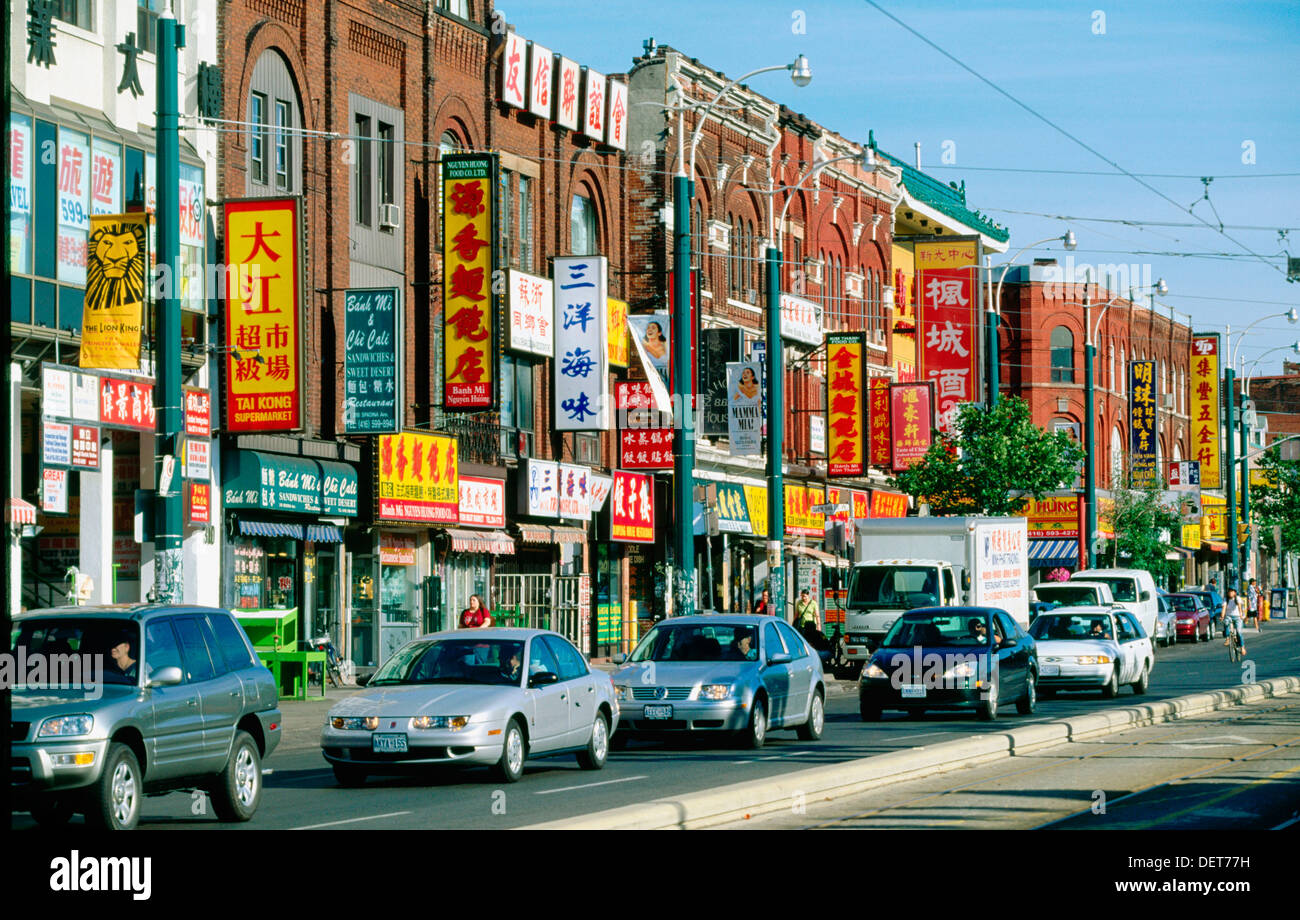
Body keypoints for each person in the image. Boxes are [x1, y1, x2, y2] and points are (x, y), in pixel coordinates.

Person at [1223, 588, 1246, 655]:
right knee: (1226, 622)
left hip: (1238, 617)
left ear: (1235, 593)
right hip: (1229, 616)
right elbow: (1224, 608)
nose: (1230, 593)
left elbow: (1239, 607)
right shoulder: (1226, 599)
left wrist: (1241, 615)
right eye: (1229, 592)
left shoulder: (1237, 598)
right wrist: (1222, 616)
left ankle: (1242, 647)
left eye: (1232, 592)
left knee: (1239, 632)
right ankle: (1227, 638)